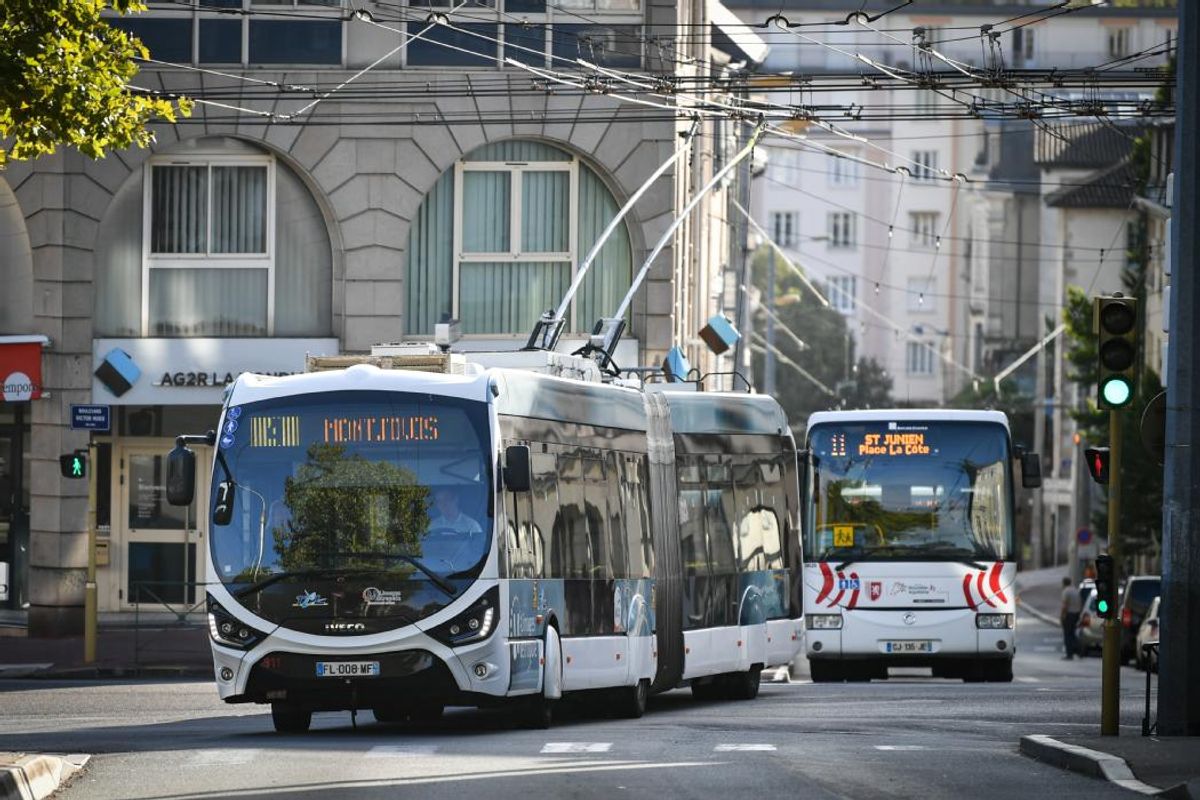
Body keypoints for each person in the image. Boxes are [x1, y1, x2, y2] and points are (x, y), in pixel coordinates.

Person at [1060, 575, 1083, 659]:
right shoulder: (1075, 590)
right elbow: (1080, 603)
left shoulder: (1066, 591)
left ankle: (1069, 654)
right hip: (1076, 614)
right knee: (1072, 633)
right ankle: (1079, 650)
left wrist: (1062, 615)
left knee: (1067, 634)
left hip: (1069, 614)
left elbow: (1065, 605)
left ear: (1064, 583)